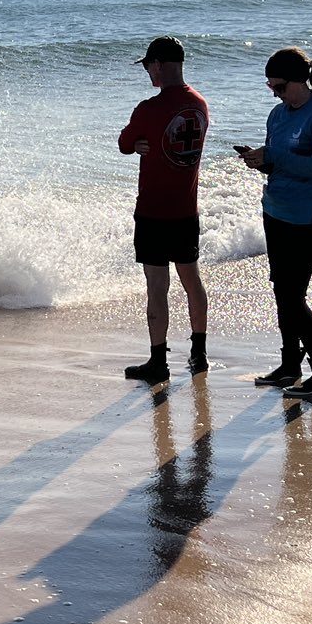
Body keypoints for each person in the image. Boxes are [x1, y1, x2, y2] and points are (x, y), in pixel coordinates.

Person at [240, 48, 312, 397]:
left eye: (280, 86)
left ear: (300, 80)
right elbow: (278, 162)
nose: (276, 93)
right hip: (276, 209)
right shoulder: (277, 115)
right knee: (282, 291)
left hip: (310, 214)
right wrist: (260, 161)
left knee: (291, 295)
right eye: (271, 87)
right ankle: (289, 366)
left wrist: (275, 157)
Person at [117, 36, 210, 383]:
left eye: (147, 66)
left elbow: (125, 143)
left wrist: (141, 143)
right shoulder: (199, 104)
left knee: (157, 285)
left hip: (154, 211)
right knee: (191, 279)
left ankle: (158, 362)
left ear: (157, 65)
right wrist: (145, 142)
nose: (147, 73)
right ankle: (198, 355)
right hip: (187, 209)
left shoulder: (148, 109)